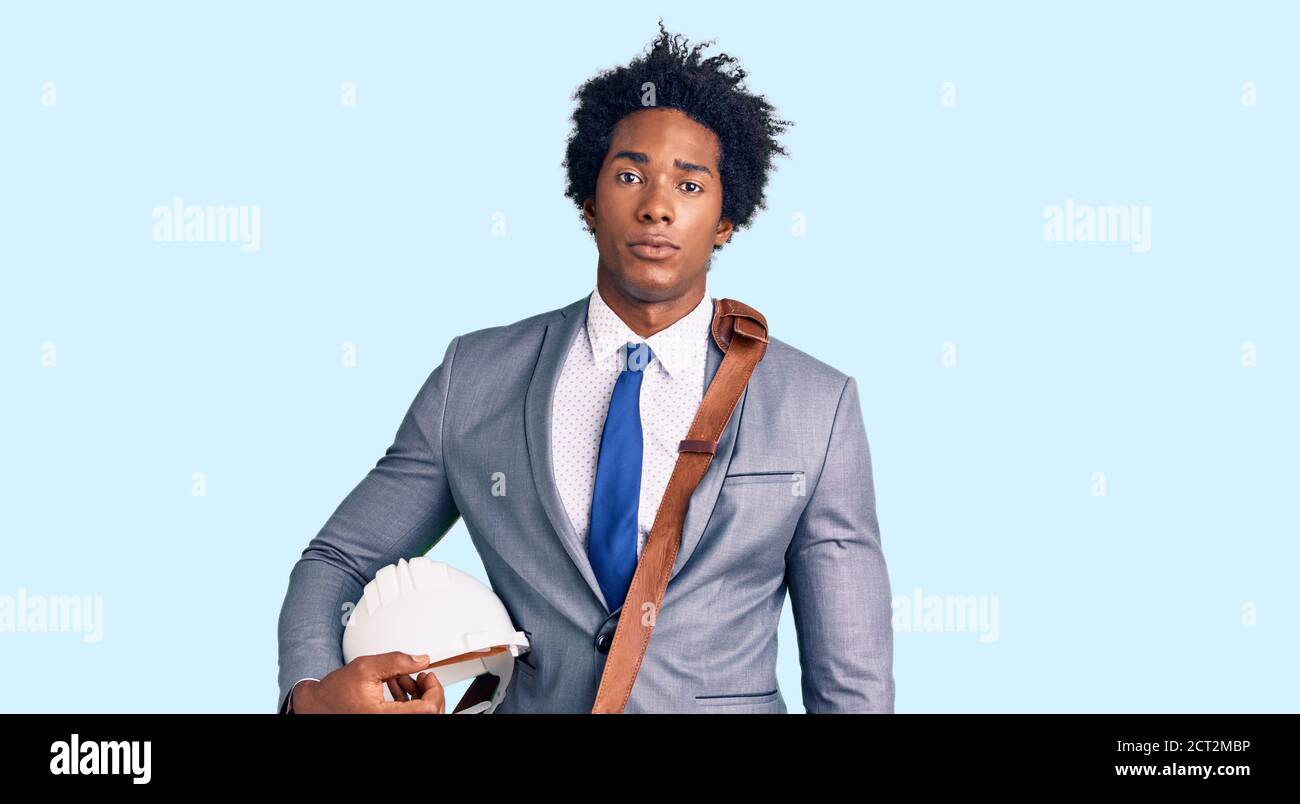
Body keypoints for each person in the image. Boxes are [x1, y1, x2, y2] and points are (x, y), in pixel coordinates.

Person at [277, 20, 894, 714]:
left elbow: (853, 687)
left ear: (727, 219)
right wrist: (313, 698)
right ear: (588, 200)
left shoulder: (819, 404)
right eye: (630, 175)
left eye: (690, 186)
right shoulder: (473, 377)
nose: (657, 205)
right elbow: (334, 562)